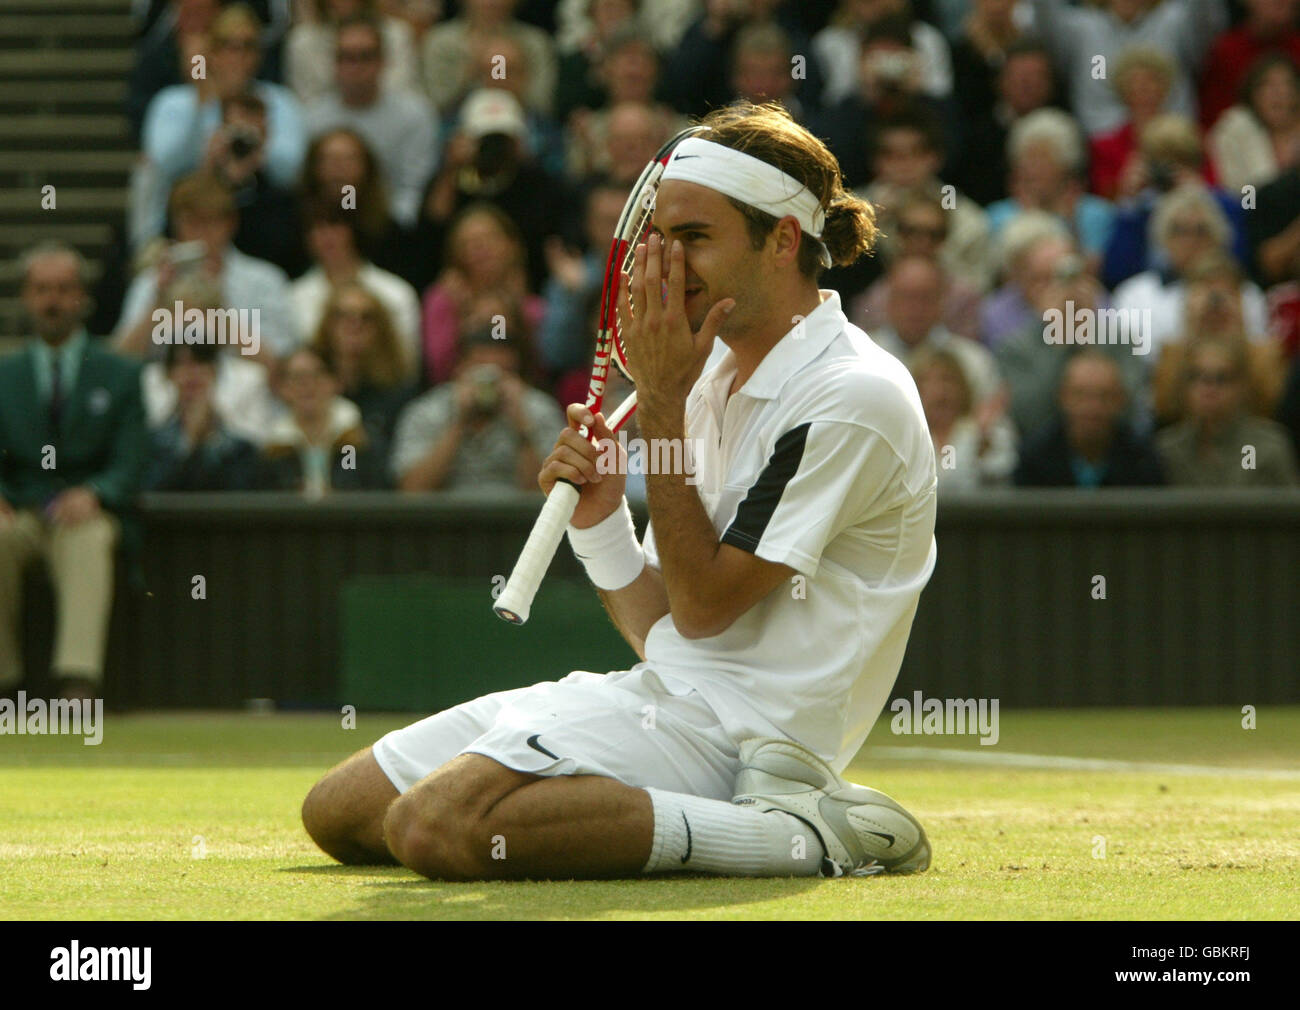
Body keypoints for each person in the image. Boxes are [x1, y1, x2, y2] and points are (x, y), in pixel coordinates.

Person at [302, 100, 937, 881]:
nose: (665, 265)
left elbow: (704, 609)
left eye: (695, 238)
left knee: (436, 826)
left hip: (754, 742)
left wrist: (664, 407)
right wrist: (602, 519)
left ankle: (796, 836)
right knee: (339, 810)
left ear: (782, 241)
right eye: (659, 239)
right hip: (666, 697)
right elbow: (671, 632)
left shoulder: (854, 396)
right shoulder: (710, 375)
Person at [0, 244, 146, 701]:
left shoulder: (119, 373)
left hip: (85, 510)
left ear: (82, 297)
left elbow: (131, 462)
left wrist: (97, 492)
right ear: (26, 297)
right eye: (43, 290)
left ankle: (76, 682)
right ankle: (5, 682)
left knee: (89, 537)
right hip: (22, 509)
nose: (53, 301)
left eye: (64, 289)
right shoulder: (5, 374)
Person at [301, 13, 438, 227]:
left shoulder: (415, 115)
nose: (355, 67)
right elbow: (309, 187)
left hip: (391, 228)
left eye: (365, 56)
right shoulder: (314, 118)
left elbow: (413, 188)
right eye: (346, 57)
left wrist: (383, 228)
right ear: (334, 63)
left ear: (383, 61)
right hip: (327, 225)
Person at [389, 326, 562, 493]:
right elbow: (412, 489)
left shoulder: (540, 410)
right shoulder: (427, 411)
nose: (492, 384)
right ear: (459, 370)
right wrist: (459, 423)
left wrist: (522, 426)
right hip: (443, 518)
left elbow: (547, 495)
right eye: (482, 374)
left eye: (503, 373)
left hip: (521, 518)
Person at [1155, 336, 1299, 485]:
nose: (1209, 389)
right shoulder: (1166, 451)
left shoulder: (1268, 448)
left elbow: (1289, 506)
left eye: (1221, 378)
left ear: (1242, 387)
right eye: (1197, 377)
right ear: (1184, 386)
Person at [1015, 350, 1164, 487]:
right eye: (1081, 395)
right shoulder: (1034, 457)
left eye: (1104, 396)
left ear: (1121, 400)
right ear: (1062, 397)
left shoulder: (1142, 459)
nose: (1093, 407)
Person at [256, 345, 385, 493]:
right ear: (283, 388)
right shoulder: (273, 452)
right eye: (297, 378)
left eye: (316, 376)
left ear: (335, 382)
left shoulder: (357, 443)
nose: (307, 385)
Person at [144, 342, 260, 491]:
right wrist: (189, 441)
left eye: (201, 363)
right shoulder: (151, 443)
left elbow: (239, 495)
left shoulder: (241, 448)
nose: (192, 373)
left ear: (215, 372)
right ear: (169, 374)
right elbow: (152, 492)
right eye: (182, 364)